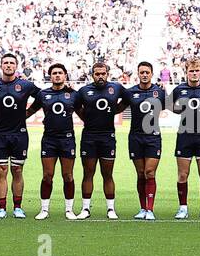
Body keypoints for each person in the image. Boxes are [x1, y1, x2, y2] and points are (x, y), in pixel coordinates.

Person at [0, 52, 39, 219]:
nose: (8, 65)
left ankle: (17, 207)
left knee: (17, 170)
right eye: (5, 63)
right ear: (1, 66)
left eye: (11, 63)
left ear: (16, 66)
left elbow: (44, 97)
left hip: (19, 134)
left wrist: (29, 112)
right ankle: (1, 207)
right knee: (1, 171)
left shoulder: (26, 85)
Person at [74, 60, 127, 220]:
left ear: (107, 74)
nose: (100, 77)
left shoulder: (116, 88)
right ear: (92, 75)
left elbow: (127, 99)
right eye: (97, 74)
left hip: (108, 137)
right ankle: (85, 209)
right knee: (88, 173)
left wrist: (116, 111)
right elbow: (76, 106)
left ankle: (111, 209)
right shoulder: (84, 91)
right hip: (89, 136)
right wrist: (86, 118)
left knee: (107, 174)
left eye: (103, 73)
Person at [170, 57, 200, 220]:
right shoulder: (179, 89)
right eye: (191, 71)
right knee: (183, 174)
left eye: (196, 70)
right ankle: (183, 208)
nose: (194, 73)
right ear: (186, 72)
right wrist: (179, 110)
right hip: (184, 135)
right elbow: (170, 105)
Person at [33, 62, 79, 221]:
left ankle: (69, 210)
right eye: (54, 73)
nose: (57, 75)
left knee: (68, 175)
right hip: (49, 140)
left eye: (60, 72)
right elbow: (30, 111)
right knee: (47, 175)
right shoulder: (42, 94)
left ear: (65, 75)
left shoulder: (74, 94)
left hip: (67, 139)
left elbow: (84, 113)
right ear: (50, 76)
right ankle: (44, 210)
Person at [125, 60, 165, 220]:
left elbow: (171, 106)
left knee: (150, 172)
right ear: (138, 74)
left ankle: (150, 209)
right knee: (141, 174)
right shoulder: (130, 93)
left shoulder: (160, 92)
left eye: (147, 72)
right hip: (135, 137)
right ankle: (142, 208)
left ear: (151, 74)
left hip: (153, 137)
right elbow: (117, 107)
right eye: (141, 72)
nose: (144, 75)